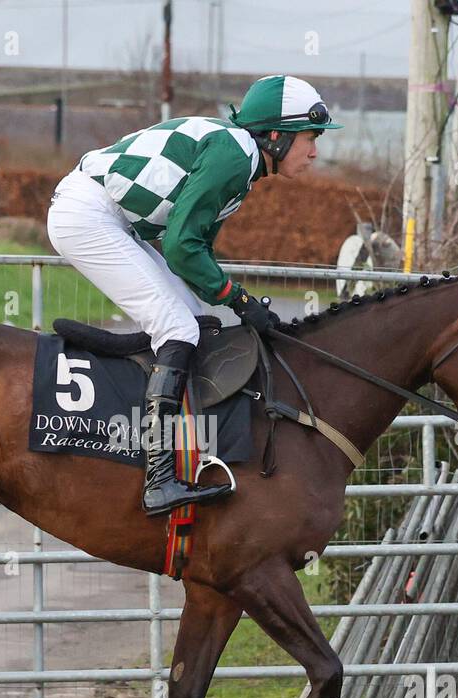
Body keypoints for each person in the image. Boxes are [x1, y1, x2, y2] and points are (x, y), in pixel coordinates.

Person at [46, 74, 341, 515]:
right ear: (276, 135)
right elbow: (183, 249)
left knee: (191, 316)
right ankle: (158, 476)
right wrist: (240, 301)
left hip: (106, 215)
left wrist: (229, 299)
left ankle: (179, 446)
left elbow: (194, 248)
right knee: (179, 325)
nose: (315, 151)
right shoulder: (235, 156)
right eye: (310, 138)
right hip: (88, 216)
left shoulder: (241, 160)